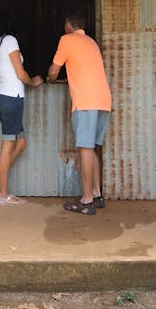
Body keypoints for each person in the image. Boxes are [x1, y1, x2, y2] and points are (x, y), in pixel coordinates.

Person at [47, 14, 111, 216]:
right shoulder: (91, 42)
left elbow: (54, 70)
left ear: (69, 25)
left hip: (86, 101)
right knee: (91, 148)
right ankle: (96, 194)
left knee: (85, 149)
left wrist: (50, 77)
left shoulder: (67, 39)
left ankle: (86, 201)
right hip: (103, 100)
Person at [0, 12, 43, 206]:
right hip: (11, 98)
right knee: (8, 146)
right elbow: (20, 72)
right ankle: (4, 195)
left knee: (20, 143)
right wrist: (33, 81)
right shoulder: (9, 40)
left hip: (4, 98)